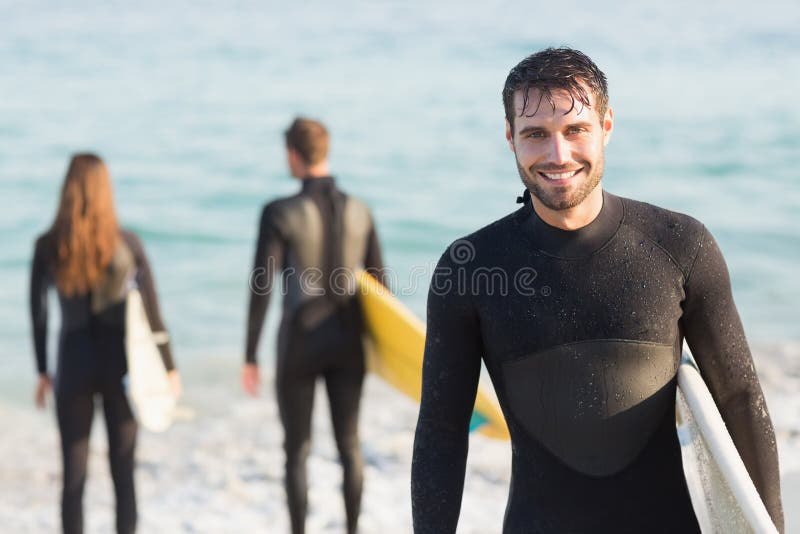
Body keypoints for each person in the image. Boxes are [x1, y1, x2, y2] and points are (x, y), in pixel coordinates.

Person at [411, 47, 784, 533]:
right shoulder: (472, 267)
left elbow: (740, 400)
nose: (558, 154)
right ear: (510, 137)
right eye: (536, 134)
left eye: (576, 130)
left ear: (606, 126)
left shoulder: (679, 245)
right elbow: (441, 429)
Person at [242, 117, 386, 534]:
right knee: (350, 446)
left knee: (297, 451)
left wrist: (250, 355)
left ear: (292, 155)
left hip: (300, 341)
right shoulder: (361, 210)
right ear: (326, 150)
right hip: (349, 342)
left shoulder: (279, 212)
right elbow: (381, 291)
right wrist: (385, 357)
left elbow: (261, 287)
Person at [30, 154, 181, 534]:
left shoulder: (48, 246)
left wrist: (42, 371)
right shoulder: (127, 244)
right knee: (123, 473)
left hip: (73, 364)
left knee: (73, 477)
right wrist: (168, 366)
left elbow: (39, 315)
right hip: (122, 367)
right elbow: (152, 312)